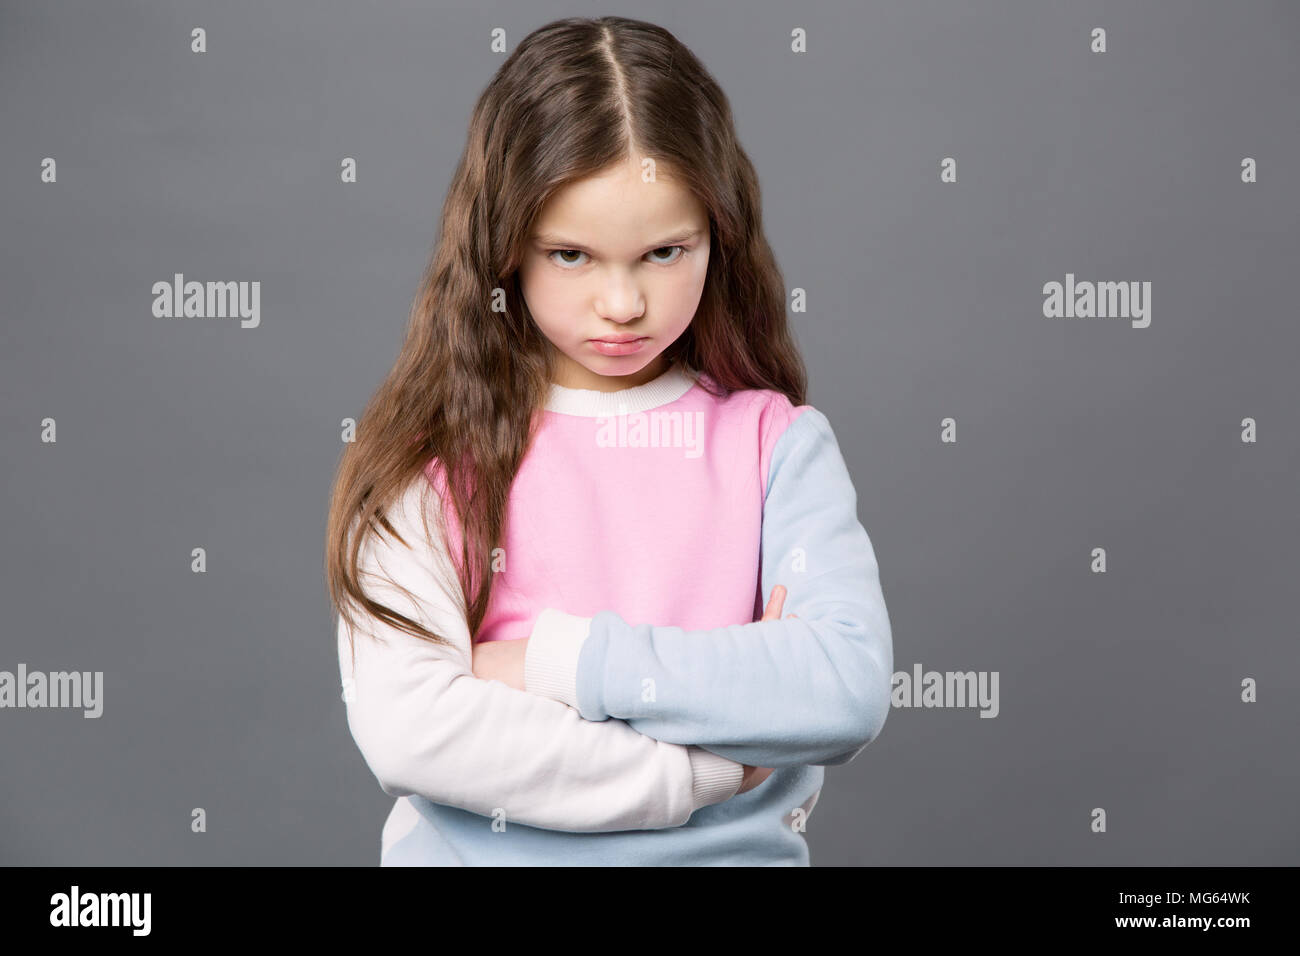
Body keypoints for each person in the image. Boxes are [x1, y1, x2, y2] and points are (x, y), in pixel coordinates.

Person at [324, 15, 893, 866]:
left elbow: (841, 689)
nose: (623, 304)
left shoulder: (778, 447)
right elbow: (413, 732)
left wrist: (551, 661)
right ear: (503, 249)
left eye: (665, 251)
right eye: (571, 256)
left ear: (720, 235)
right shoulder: (429, 462)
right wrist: (705, 766)